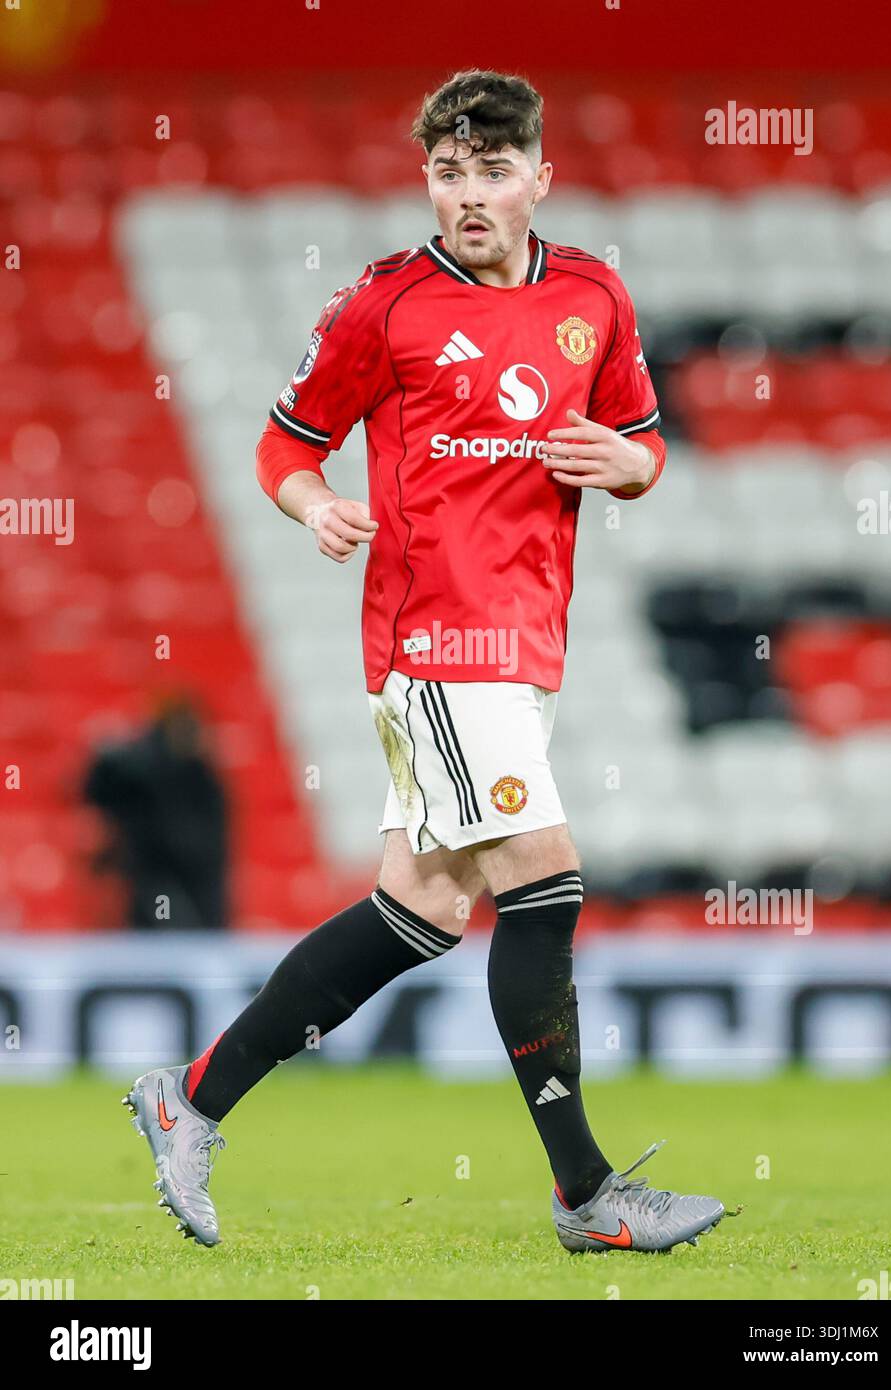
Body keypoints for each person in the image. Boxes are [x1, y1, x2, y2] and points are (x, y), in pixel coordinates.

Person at [123, 69, 727, 1253]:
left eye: (493, 171)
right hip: (434, 641)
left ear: (539, 178)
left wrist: (628, 464)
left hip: (527, 645)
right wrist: (312, 504)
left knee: (422, 911)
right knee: (544, 884)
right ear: (428, 180)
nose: (469, 194)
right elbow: (281, 441)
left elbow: (645, 441)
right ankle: (585, 1192)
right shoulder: (384, 305)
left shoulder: (593, 296)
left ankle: (187, 1098)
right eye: (449, 171)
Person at [85, 695, 228, 930]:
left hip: (193, 894)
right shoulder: (147, 770)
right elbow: (99, 789)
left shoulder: (203, 780)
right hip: (151, 887)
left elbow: (207, 847)